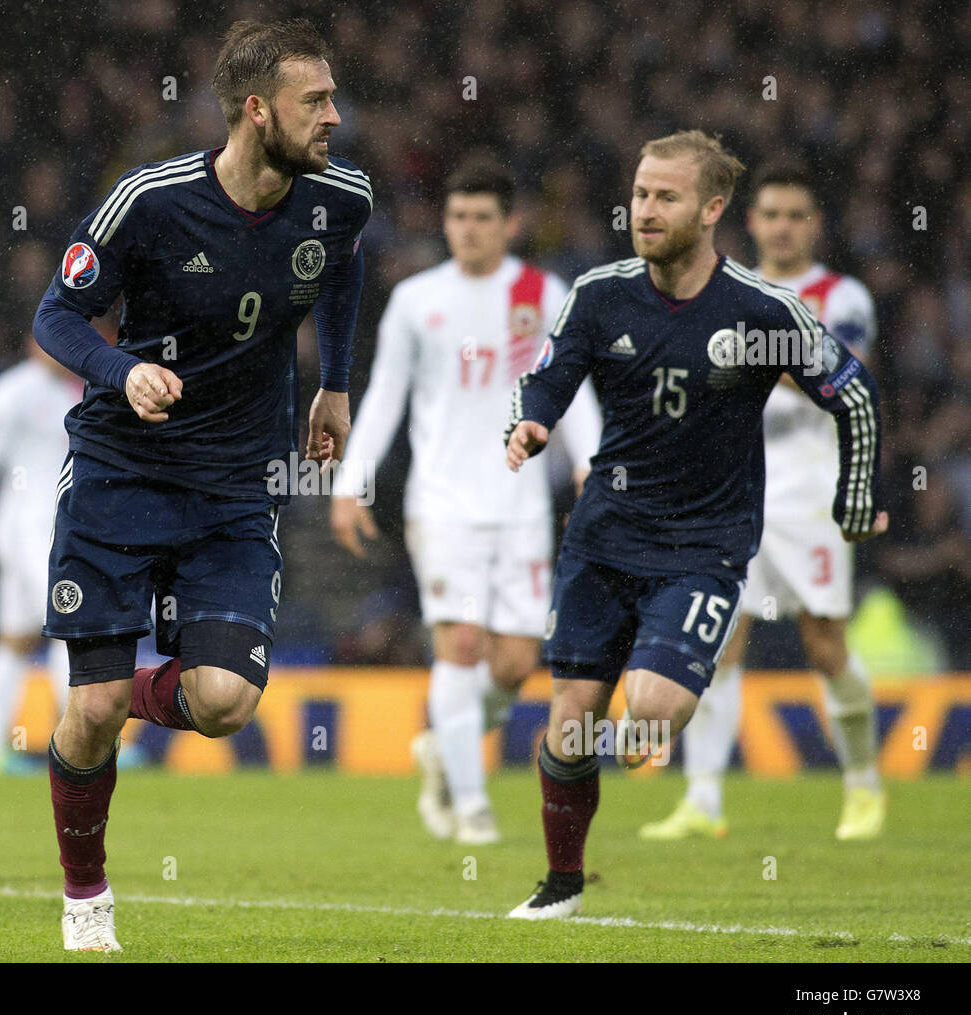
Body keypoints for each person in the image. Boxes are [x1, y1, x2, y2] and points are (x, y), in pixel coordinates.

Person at [32, 18, 370, 951]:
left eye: (334, 98)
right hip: (120, 472)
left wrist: (334, 382)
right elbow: (56, 313)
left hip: (234, 484)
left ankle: (113, 692)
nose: (335, 118)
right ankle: (85, 898)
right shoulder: (149, 201)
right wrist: (119, 371)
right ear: (257, 110)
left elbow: (341, 269)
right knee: (91, 717)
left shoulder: (340, 198)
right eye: (317, 102)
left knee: (223, 700)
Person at [502, 130, 886, 919]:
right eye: (641, 193)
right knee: (571, 722)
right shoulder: (600, 294)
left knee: (647, 709)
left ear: (712, 209)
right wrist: (531, 424)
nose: (645, 210)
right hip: (602, 537)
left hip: (701, 549)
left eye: (665, 197)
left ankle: (713, 758)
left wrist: (854, 495)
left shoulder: (760, 310)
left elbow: (850, 392)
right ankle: (562, 885)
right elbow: (545, 378)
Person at [331, 159, 599, 845]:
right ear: (445, 222)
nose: (469, 230)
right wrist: (349, 482)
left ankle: (442, 747)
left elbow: (570, 385)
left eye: (484, 218)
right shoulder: (418, 299)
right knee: (460, 643)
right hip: (442, 501)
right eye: (458, 217)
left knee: (512, 663)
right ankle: (472, 806)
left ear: (511, 224)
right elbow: (385, 391)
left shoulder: (543, 291)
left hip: (521, 504)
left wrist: (591, 466)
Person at [640, 166, 884, 843]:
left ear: (814, 225)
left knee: (825, 644)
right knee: (719, 643)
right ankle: (703, 800)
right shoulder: (725, 290)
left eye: (795, 215)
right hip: (732, 492)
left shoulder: (842, 295)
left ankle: (863, 785)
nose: (781, 226)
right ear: (750, 222)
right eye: (771, 213)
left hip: (811, 494)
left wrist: (755, 356)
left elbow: (843, 383)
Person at [0, 334, 83, 775]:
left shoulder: (74, 389)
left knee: (14, 637)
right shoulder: (8, 392)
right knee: (70, 624)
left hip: (53, 527)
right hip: (25, 527)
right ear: (34, 342)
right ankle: (85, 743)